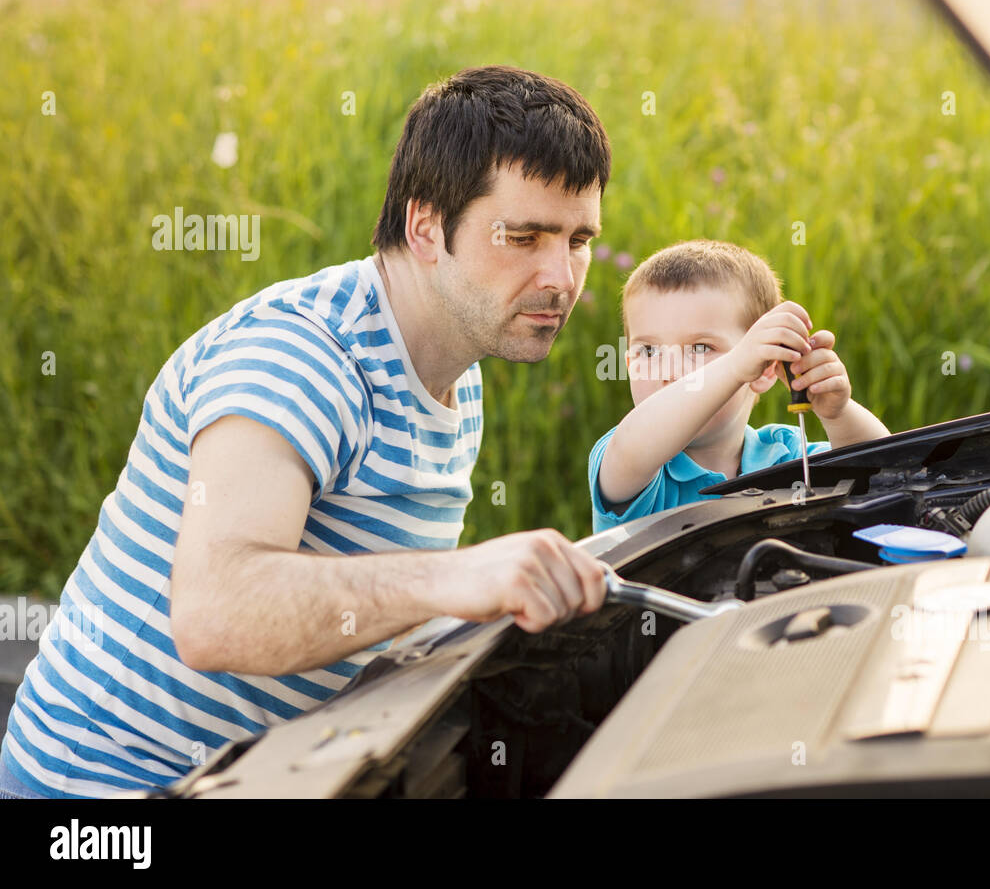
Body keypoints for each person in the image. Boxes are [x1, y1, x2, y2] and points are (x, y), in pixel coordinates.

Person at [0, 65, 613, 798]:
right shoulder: (302, 357)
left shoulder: (454, 365)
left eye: (578, 239)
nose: (560, 275)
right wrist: (457, 578)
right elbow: (214, 613)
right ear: (426, 226)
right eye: (524, 235)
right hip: (105, 790)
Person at [588, 239, 890, 533]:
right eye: (649, 351)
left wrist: (837, 414)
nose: (668, 371)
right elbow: (634, 444)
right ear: (629, 364)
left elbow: (883, 473)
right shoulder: (631, 459)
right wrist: (732, 366)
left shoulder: (784, 455)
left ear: (763, 369)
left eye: (701, 347)